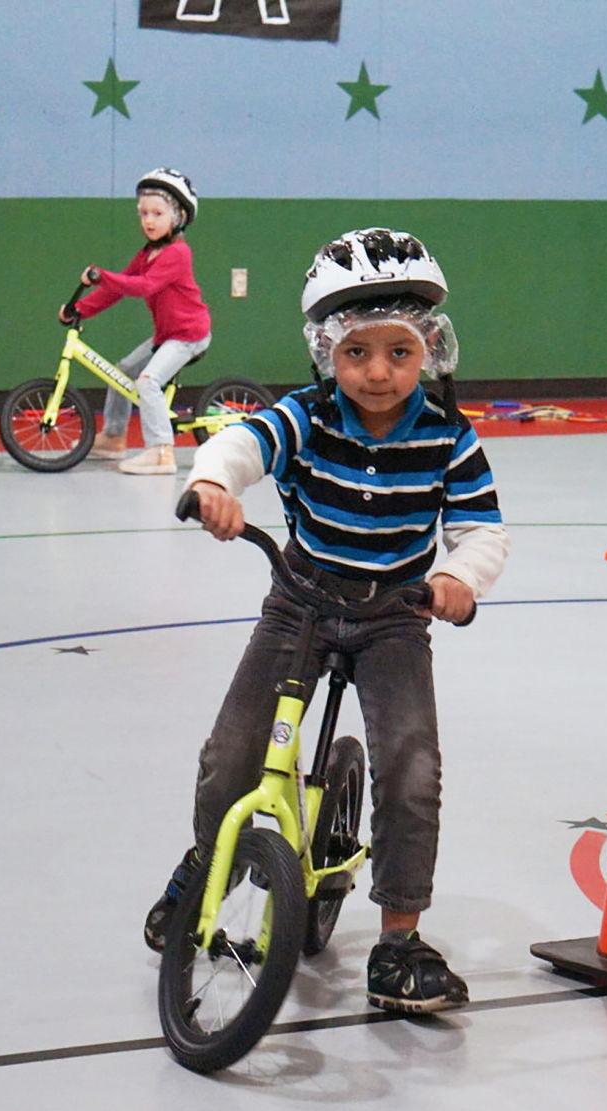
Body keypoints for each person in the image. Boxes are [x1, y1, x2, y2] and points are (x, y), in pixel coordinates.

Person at [147, 227, 509, 1013]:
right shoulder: (307, 416)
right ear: (324, 355)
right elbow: (243, 443)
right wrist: (214, 483)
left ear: (431, 353)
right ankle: (205, 867)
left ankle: (398, 940)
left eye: (399, 352)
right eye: (355, 353)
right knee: (231, 752)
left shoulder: (449, 434)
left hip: (394, 615)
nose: (377, 372)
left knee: (412, 767)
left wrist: (456, 576)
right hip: (301, 600)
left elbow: (481, 527)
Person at [68, 168, 212, 476]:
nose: (148, 220)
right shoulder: (148, 253)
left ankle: (161, 452)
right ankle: (114, 436)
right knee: (124, 371)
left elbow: (143, 286)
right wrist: (79, 308)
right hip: (167, 334)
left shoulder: (177, 253)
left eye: (158, 213)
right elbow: (117, 289)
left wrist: (101, 275)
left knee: (147, 381)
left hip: (188, 334)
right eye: (144, 213)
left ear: (178, 218)